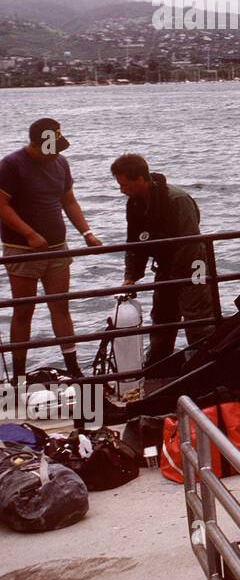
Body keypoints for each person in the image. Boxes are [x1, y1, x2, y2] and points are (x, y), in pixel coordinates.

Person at [0, 118, 101, 382]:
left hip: (57, 248)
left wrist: (87, 233)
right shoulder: (11, 165)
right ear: (36, 144)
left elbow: (69, 200)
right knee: (24, 310)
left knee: (61, 306)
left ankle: (74, 366)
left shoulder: (61, 164)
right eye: (51, 147)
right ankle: (19, 376)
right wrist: (29, 234)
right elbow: (2, 205)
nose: (56, 152)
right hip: (22, 249)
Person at [111, 153, 214, 362]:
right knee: (161, 318)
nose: (122, 190)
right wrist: (131, 277)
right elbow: (134, 243)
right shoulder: (134, 204)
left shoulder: (177, 200)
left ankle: (204, 363)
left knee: (197, 319)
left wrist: (174, 279)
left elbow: (190, 242)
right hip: (166, 264)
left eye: (125, 185)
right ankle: (157, 363)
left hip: (193, 265)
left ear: (140, 179)